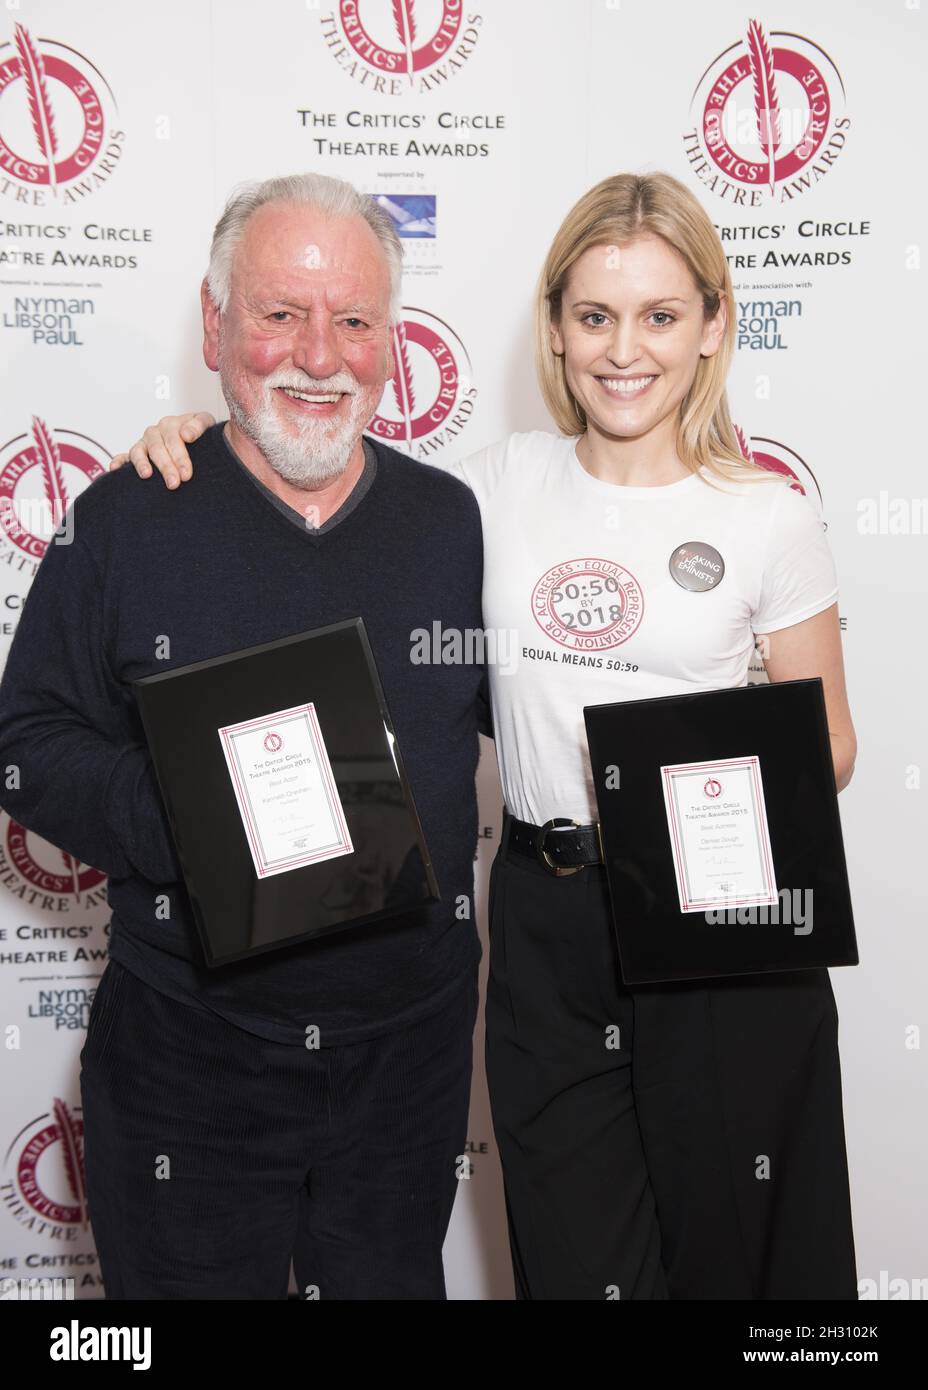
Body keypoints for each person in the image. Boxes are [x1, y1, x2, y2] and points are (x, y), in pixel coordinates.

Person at [115, 171, 858, 1300]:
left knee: (746, 1267)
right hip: (545, 914)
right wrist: (197, 442)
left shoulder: (768, 511)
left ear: (711, 326)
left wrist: (670, 800)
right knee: (574, 1264)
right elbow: (330, 491)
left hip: (716, 921)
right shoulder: (488, 491)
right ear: (554, 330)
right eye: (595, 315)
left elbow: (831, 748)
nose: (625, 350)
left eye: (660, 315)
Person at [0, 173, 489, 1300]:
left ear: (390, 341)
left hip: (407, 1061)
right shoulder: (122, 518)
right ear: (216, 325)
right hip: (189, 1060)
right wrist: (190, 814)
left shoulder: (451, 522)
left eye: (354, 322)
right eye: (279, 314)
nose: (318, 354)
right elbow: (26, 742)